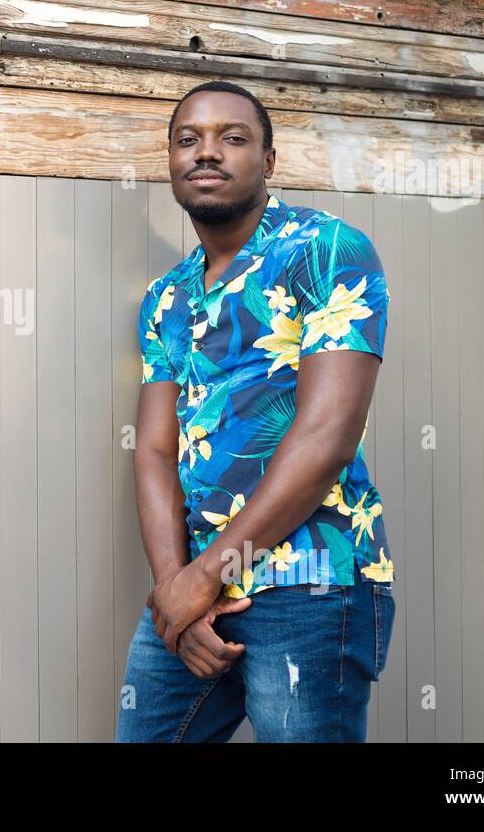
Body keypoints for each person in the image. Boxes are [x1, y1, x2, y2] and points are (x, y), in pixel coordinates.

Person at [116, 81, 396, 742]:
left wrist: (202, 582)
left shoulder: (327, 251)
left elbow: (327, 434)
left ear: (268, 161)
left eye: (232, 138)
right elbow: (155, 447)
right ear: (170, 161)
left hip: (311, 586)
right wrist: (175, 593)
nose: (206, 153)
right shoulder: (166, 297)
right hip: (196, 590)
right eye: (188, 140)